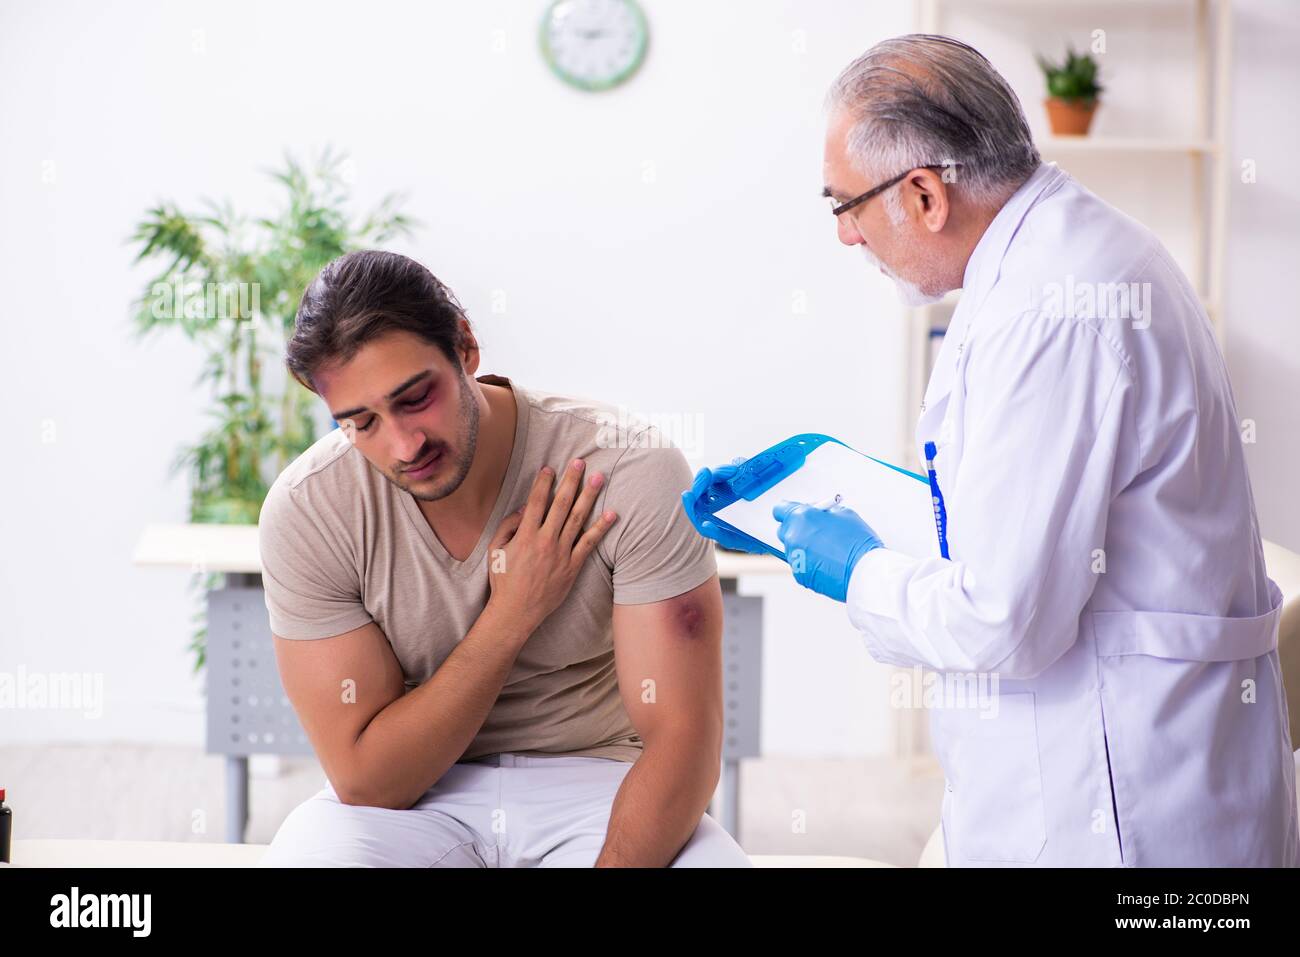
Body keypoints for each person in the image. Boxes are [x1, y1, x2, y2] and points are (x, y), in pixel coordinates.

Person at [686, 34, 1298, 867]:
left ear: (925, 194)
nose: (845, 238)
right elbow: (1042, 509)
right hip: (1123, 760)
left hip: (1127, 806)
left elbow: (1005, 623)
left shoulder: (1051, 306)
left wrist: (853, 565)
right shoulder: (1055, 252)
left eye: (843, 206)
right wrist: (846, 476)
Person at [258, 249, 748, 867]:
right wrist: (513, 612)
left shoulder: (627, 468)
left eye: (415, 398)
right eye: (362, 423)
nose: (403, 444)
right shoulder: (310, 510)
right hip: (410, 803)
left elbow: (684, 738)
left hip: (600, 782)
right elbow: (369, 780)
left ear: (465, 347)